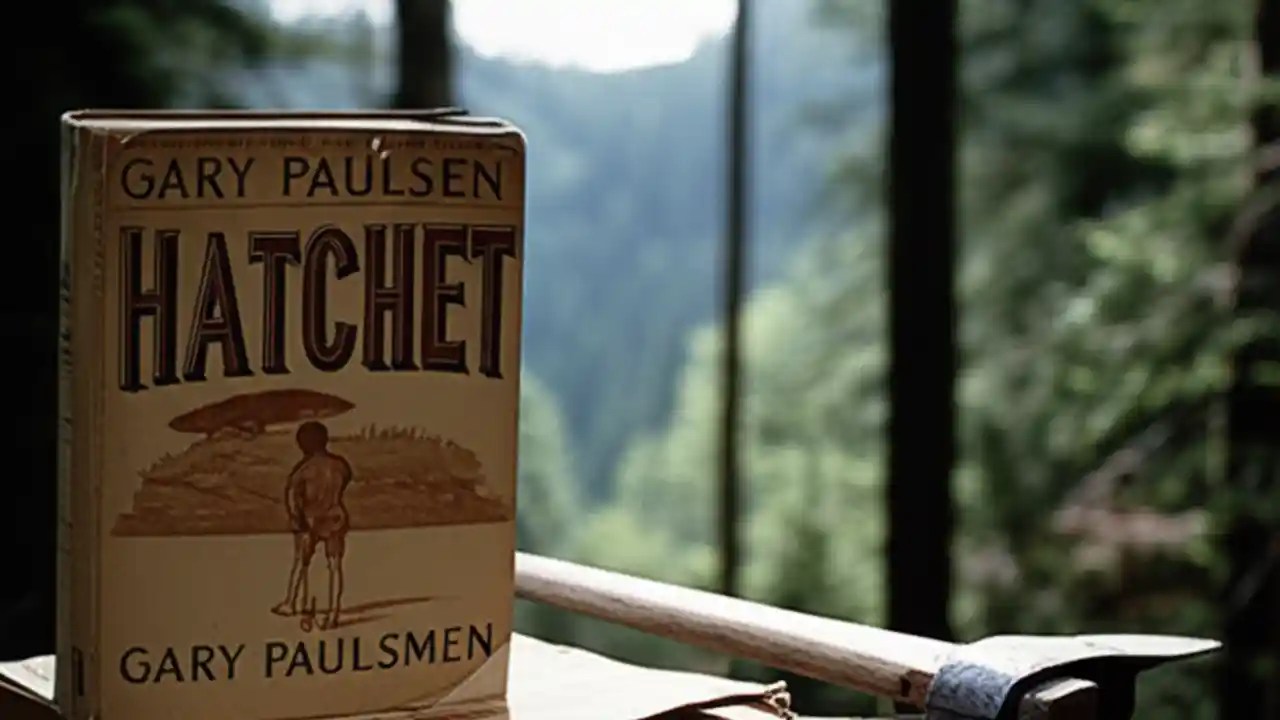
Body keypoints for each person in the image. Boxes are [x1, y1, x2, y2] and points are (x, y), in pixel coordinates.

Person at [271, 420, 353, 630]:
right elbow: (346, 479)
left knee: (301, 561)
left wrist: (296, 519)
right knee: (335, 566)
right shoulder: (340, 465)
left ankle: (292, 602)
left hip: (310, 519)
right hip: (335, 517)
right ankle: (333, 612)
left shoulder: (303, 469)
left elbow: (292, 495)